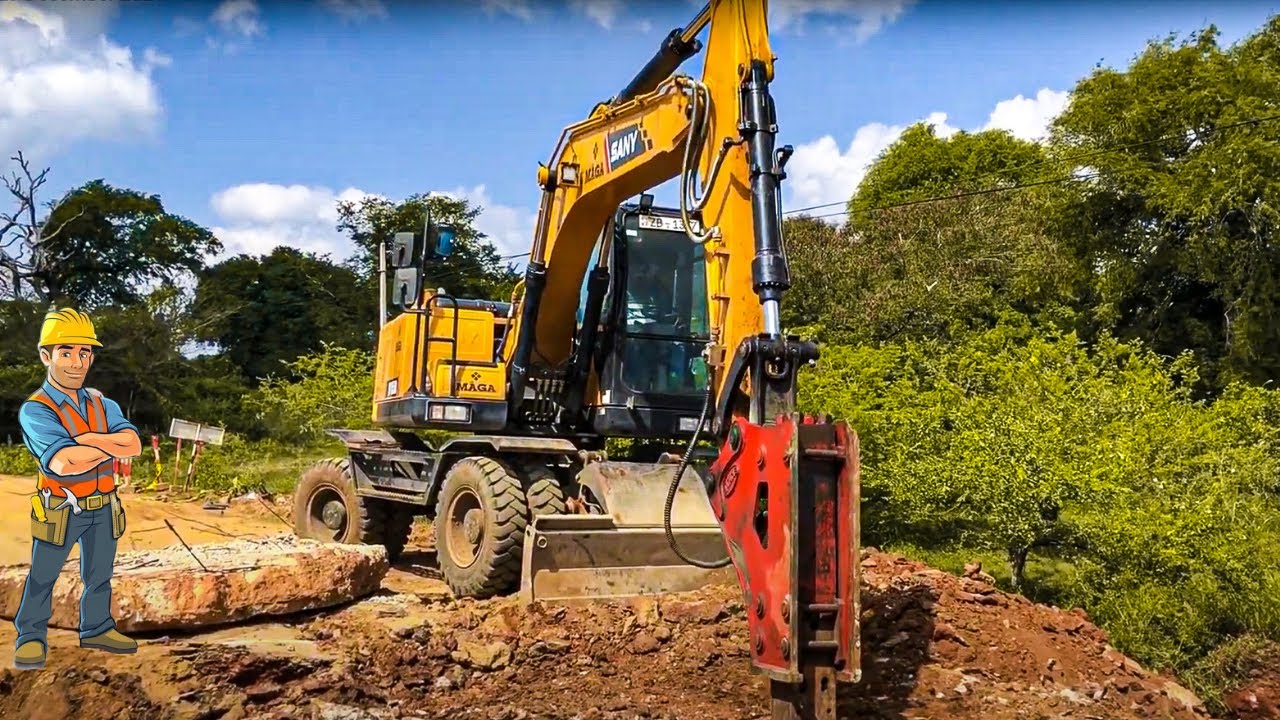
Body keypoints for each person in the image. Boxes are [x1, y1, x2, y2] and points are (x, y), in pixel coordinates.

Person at [13, 308, 141, 670]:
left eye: (84, 353)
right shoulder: (36, 410)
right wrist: (105, 445)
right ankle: (31, 637)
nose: (76, 362)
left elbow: (133, 445)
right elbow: (64, 463)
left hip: (103, 504)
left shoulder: (105, 403)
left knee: (99, 573)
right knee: (44, 574)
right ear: (46, 356)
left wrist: (86, 439)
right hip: (62, 506)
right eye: (66, 352)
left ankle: (97, 627)